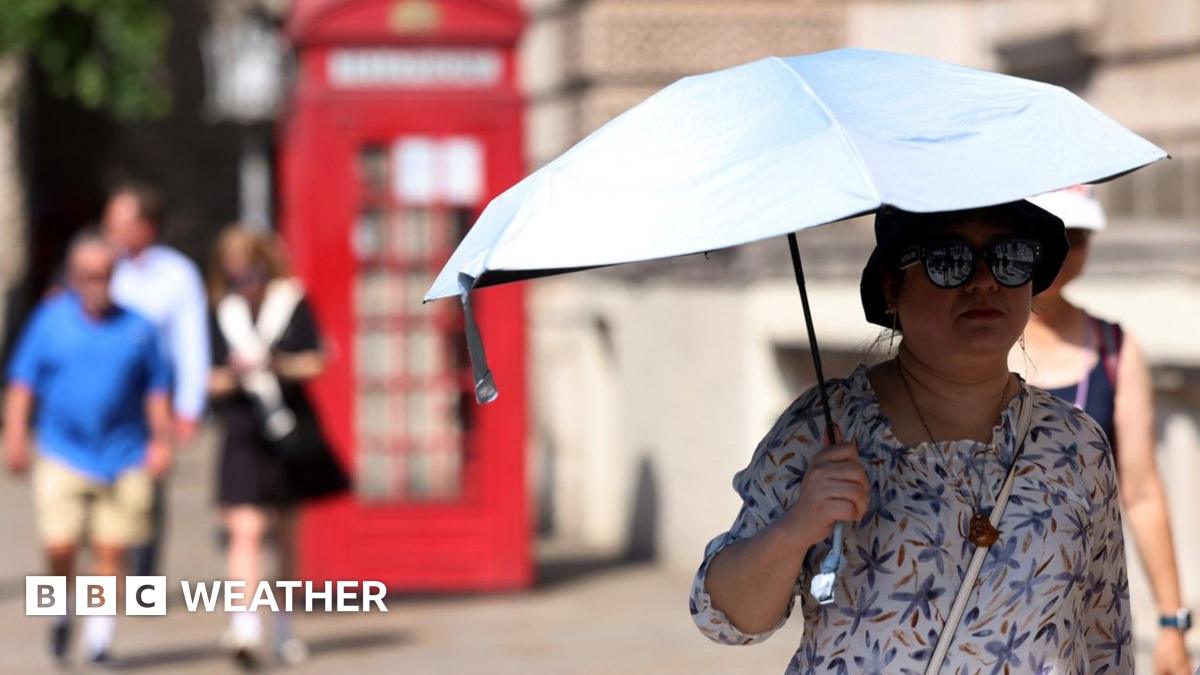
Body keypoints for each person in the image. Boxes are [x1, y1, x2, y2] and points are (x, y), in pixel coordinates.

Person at [691, 202, 1135, 673]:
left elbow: (1105, 639)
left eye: (1011, 257)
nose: (984, 280)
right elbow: (727, 620)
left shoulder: (1075, 444)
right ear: (891, 286)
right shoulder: (826, 430)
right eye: (948, 259)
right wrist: (796, 528)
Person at [1019, 186, 1191, 675]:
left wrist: (1172, 624)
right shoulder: (975, 344)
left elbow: (1141, 492)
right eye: (1047, 235)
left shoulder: (1114, 348)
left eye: (1076, 236)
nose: (1062, 250)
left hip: (1083, 613)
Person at [3, 231, 172, 665]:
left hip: (123, 452)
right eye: (88, 276)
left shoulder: (137, 327)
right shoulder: (50, 321)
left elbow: (156, 390)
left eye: (105, 276)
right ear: (74, 277)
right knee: (60, 545)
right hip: (63, 449)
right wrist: (15, 435)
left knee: (110, 548)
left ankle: (99, 637)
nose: (97, 285)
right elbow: (23, 383)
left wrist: (161, 441)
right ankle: (59, 610)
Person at [206, 226, 348, 667]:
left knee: (286, 533)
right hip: (243, 428)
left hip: (288, 427)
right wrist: (231, 375)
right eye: (235, 276)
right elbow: (205, 378)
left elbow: (318, 358)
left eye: (249, 274)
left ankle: (284, 626)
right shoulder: (220, 312)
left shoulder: (291, 303)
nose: (243, 283)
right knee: (245, 529)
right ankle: (244, 626)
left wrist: (276, 364)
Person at [102, 181, 211, 577]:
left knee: (147, 485)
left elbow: (190, 343)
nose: (111, 230)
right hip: (105, 395)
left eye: (120, 222)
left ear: (146, 227)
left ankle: (142, 572)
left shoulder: (176, 273)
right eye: (108, 222)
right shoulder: (97, 266)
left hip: (153, 396)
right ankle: (110, 570)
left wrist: (189, 406)